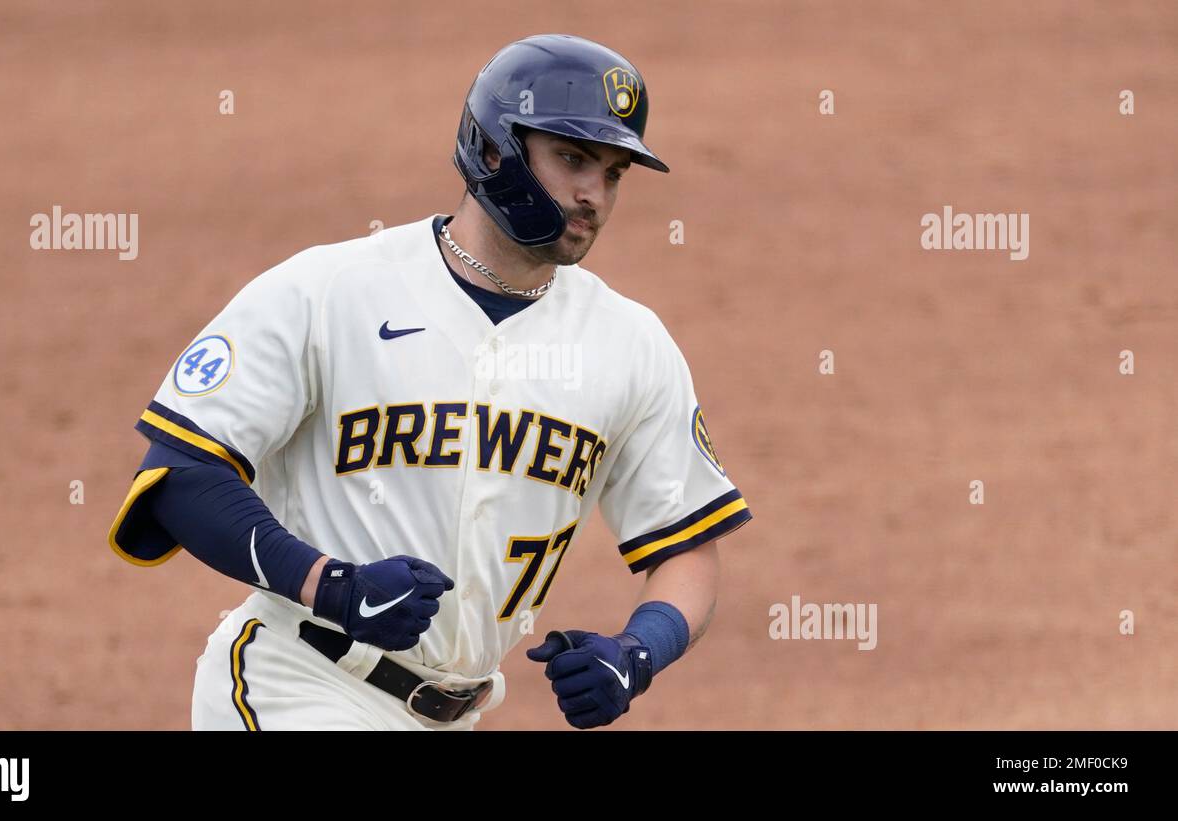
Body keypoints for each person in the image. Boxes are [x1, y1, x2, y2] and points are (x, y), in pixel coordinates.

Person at [107, 33, 751, 731]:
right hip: (298, 684)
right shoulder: (330, 290)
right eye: (572, 158)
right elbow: (179, 475)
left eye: (614, 172)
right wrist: (333, 585)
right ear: (495, 147)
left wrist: (635, 651)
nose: (592, 193)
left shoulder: (631, 344)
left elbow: (687, 548)